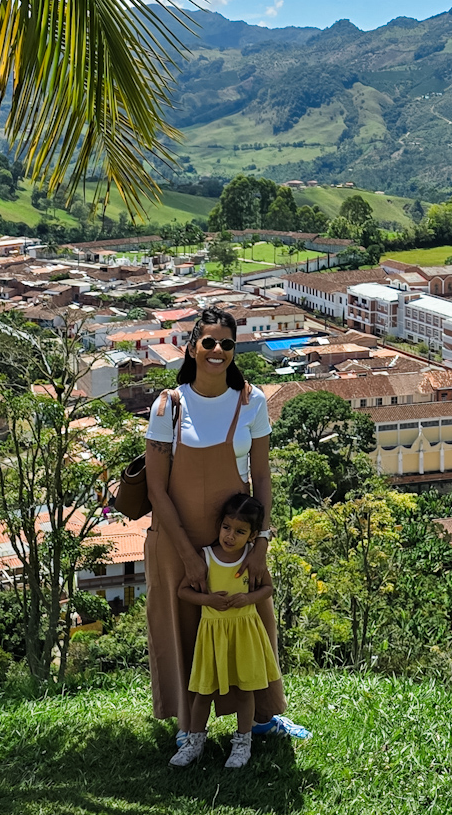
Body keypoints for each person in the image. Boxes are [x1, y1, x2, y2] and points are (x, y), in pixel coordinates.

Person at [142, 307, 310, 754]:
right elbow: (157, 489)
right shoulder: (169, 405)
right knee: (182, 628)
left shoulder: (252, 401)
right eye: (209, 342)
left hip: (237, 542)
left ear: (236, 351)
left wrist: (261, 543)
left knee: (250, 626)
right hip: (175, 540)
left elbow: (262, 478)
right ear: (192, 346)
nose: (217, 351)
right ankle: (187, 726)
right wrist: (188, 554)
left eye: (227, 344)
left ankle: (260, 720)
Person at [171, 493, 280, 769]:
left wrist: (249, 599)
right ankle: (194, 742)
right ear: (219, 525)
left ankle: (243, 743)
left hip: (245, 633)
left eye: (240, 531)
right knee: (203, 692)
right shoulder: (205, 557)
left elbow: (267, 588)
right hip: (212, 635)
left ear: (253, 535)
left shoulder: (251, 560)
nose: (230, 536)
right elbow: (183, 591)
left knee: (245, 691)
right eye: (226, 528)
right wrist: (207, 600)